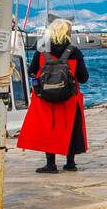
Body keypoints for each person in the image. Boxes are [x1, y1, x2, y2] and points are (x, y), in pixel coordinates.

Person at [19, 18, 89, 173]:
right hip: (69, 97)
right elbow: (84, 77)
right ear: (67, 33)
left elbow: (31, 71)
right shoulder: (74, 52)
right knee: (70, 126)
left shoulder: (42, 50)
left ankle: (50, 164)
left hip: (46, 97)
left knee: (49, 128)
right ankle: (70, 163)